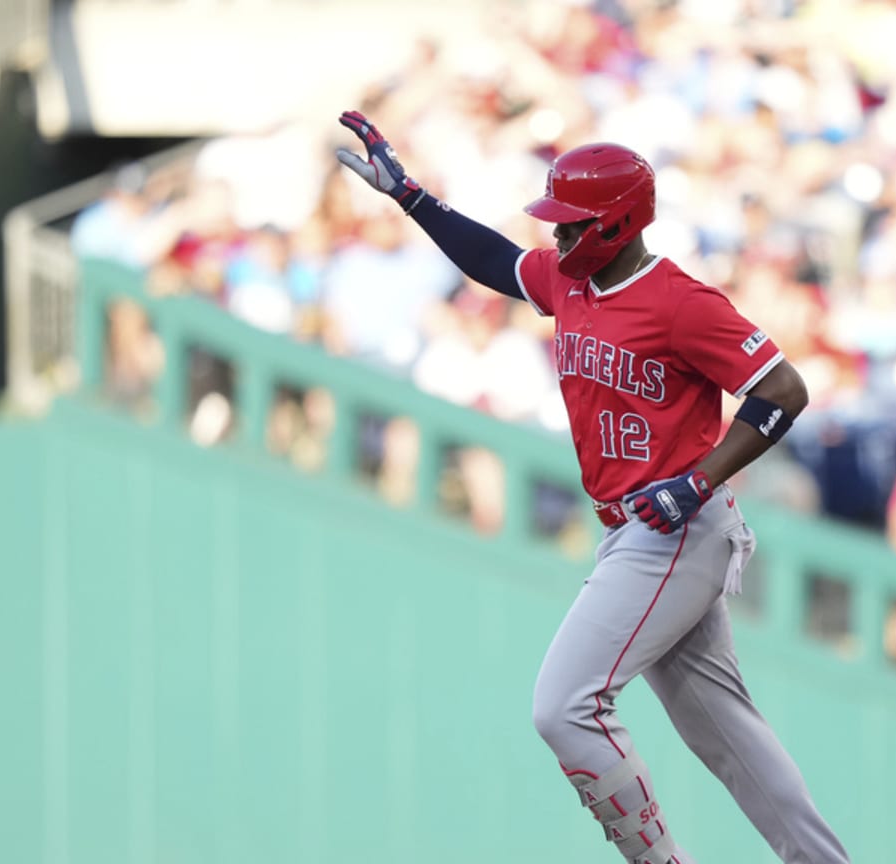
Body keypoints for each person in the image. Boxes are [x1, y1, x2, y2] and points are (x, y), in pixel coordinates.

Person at [337, 111, 850, 864]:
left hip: (674, 526)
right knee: (725, 732)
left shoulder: (679, 301)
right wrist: (412, 198)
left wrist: (698, 481)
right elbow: (496, 262)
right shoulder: (571, 284)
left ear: (617, 225)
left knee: (564, 706)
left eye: (573, 227)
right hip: (636, 526)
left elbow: (784, 390)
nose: (558, 239)